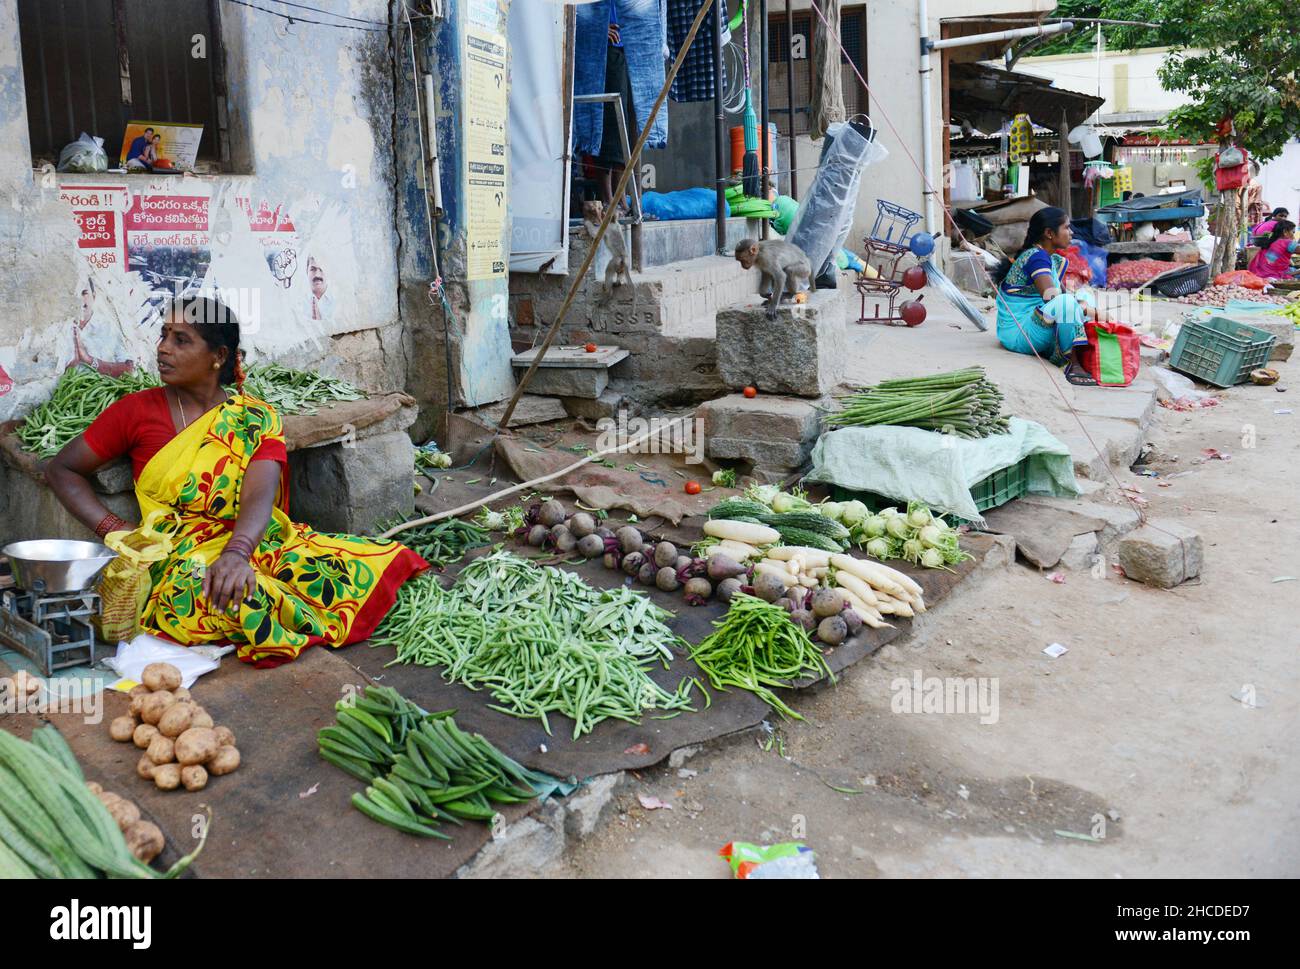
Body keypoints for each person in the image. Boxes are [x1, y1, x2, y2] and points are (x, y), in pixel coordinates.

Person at [45, 295, 428, 668]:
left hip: (252, 540)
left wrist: (237, 553)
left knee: (357, 565)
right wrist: (115, 529)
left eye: (181, 340)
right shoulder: (136, 412)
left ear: (219, 356)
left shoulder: (255, 419)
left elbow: (259, 498)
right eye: (163, 335)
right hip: (175, 552)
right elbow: (61, 470)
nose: (163, 349)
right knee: (236, 597)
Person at [992, 207, 1110, 369]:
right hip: (1019, 334)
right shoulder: (1036, 257)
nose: (1071, 233)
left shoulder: (1049, 258)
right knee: (1068, 304)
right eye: (1066, 228)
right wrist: (1099, 314)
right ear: (1049, 233)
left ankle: (1075, 343)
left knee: (1084, 295)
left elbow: (1065, 294)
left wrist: (1088, 308)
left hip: (1034, 325)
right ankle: (1073, 364)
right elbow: (1055, 299)